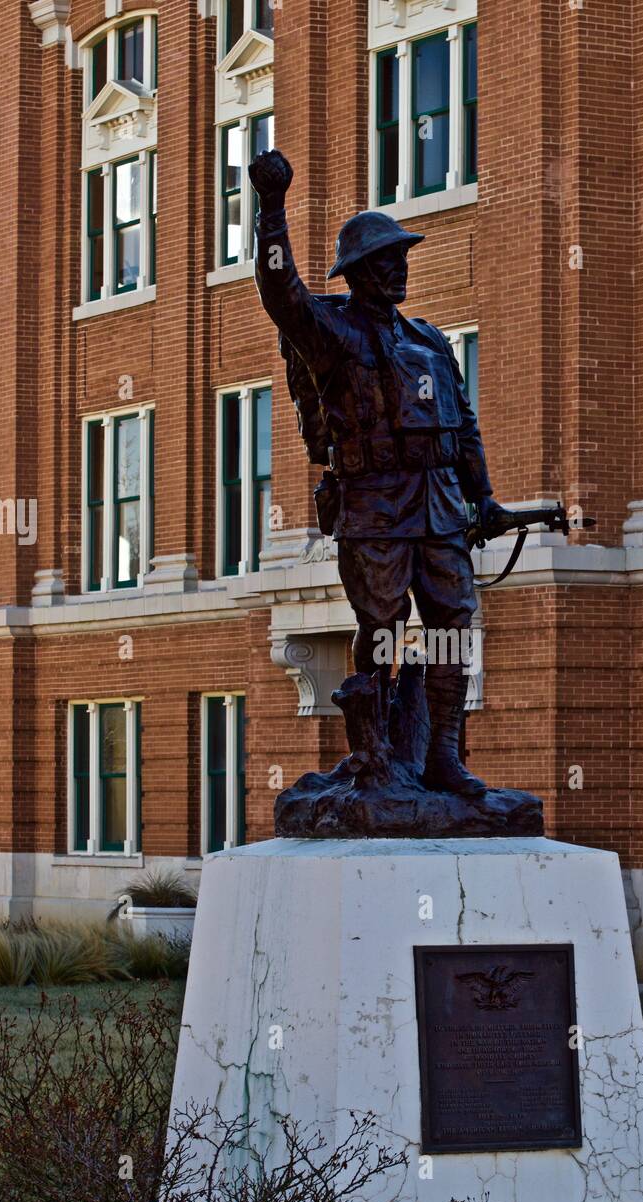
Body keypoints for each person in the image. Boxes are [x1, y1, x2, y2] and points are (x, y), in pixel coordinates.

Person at [249, 149, 511, 796]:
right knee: (383, 630)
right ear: (359, 271)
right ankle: (372, 755)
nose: (399, 266)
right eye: (386, 258)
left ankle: (443, 756)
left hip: (440, 505)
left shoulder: (429, 340)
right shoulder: (333, 334)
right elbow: (281, 294)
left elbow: (464, 427)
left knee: (452, 626)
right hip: (375, 505)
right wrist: (272, 211)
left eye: (402, 255)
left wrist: (486, 499)